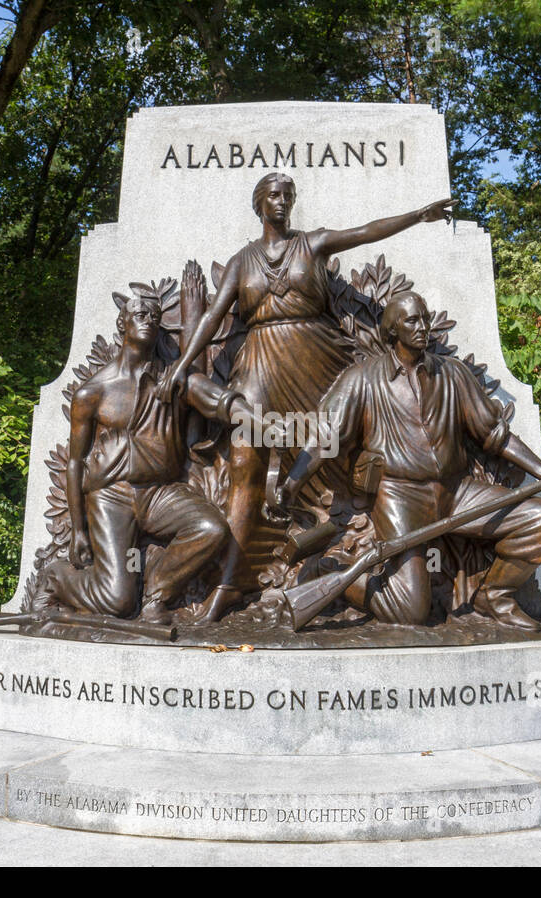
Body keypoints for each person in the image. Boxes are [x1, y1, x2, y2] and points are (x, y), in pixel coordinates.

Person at [158, 172, 455, 621]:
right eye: (274, 196)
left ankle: (354, 561)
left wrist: (418, 215)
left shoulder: (312, 244)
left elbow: (364, 231)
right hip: (258, 364)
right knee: (244, 463)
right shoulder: (242, 261)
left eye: (289, 197)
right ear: (259, 204)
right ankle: (230, 583)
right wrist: (181, 367)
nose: (283, 203)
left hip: (315, 361)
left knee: (336, 453)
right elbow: (212, 316)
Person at [268, 291, 541, 632]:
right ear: (392, 330)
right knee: (410, 611)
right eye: (411, 320)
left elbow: (495, 435)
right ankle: (333, 572)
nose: (422, 327)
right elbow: (323, 440)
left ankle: (495, 596)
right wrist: (291, 483)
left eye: (424, 318)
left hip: (458, 492)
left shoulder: (453, 374)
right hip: (401, 498)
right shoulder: (362, 379)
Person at [38, 293, 247, 625]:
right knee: (116, 601)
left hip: (160, 493)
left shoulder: (171, 379)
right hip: (111, 496)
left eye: (154, 315)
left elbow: (213, 397)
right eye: (140, 314)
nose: (149, 319)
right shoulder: (93, 392)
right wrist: (79, 530)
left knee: (211, 528)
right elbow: (75, 462)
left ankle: (155, 598)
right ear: (123, 323)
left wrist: (252, 416)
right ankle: (56, 578)